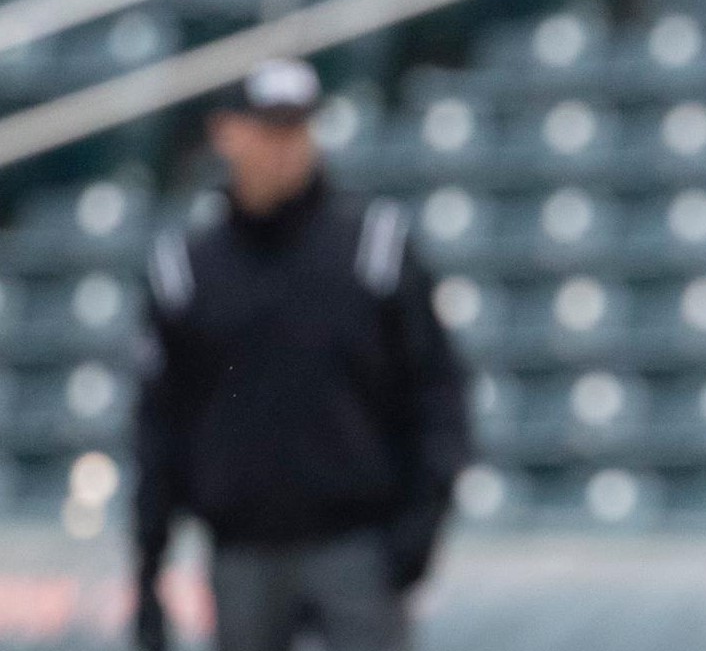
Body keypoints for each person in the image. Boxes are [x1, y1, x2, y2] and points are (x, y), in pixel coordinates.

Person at [131, 58, 471, 651]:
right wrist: (149, 565)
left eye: (296, 129)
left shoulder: (374, 249)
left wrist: (418, 534)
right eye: (267, 128)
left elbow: (437, 394)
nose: (284, 148)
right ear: (226, 133)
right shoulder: (188, 268)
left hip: (359, 546)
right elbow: (160, 423)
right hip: (240, 551)